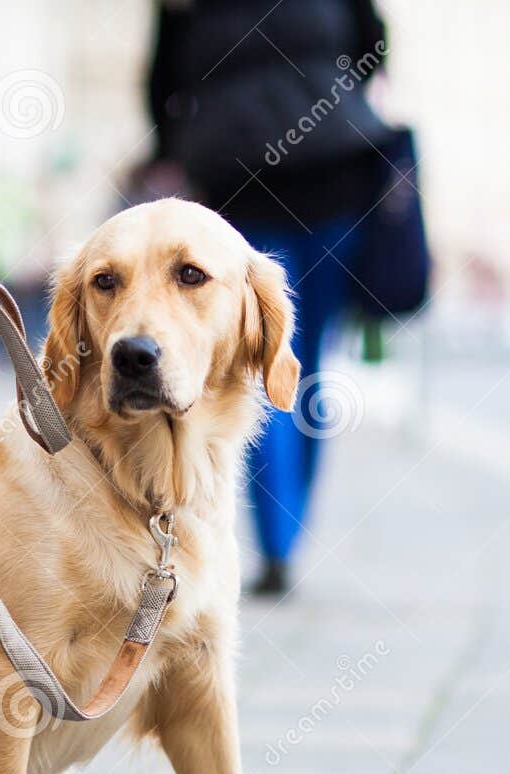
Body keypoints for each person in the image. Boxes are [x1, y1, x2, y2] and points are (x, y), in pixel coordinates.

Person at [148, 0, 391, 595]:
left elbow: (161, 85)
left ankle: (279, 539)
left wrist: (187, 143)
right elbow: (374, 44)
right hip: (334, 172)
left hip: (238, 181)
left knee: (260, 362)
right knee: (309, 360)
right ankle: (290, 531)